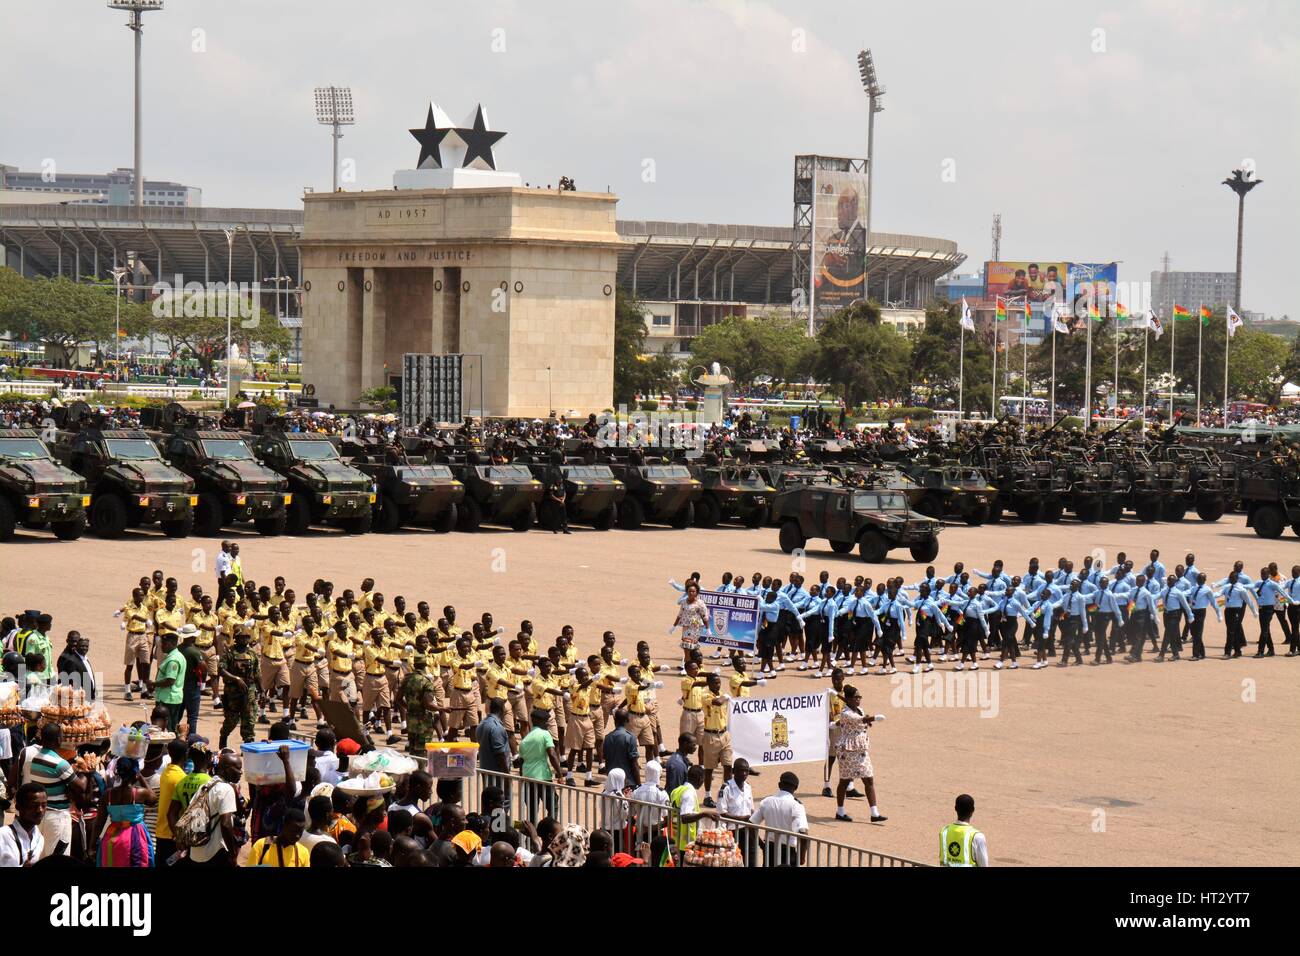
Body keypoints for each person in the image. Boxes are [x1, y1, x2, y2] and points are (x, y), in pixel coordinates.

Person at [831, 685, 886, 824]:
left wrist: (867, 719)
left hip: (861, 749)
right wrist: (873, 718)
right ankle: (840, 811)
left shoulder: (858, 709)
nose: (859, 700)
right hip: (847, 750)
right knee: (844, 781)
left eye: (860, 697)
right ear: (849, 699)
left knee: (868, 778)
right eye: (856, 697)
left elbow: (860, 716)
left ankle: (875, 813)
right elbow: (858, 720)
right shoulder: (846, 713)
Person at [94, 756, 158, 867]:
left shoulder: (108, 795)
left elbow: (99, 822)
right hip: (136, 836)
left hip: (112, 837)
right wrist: (140, 777)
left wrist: (91, 846)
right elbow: (153, 799)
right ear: (135, 773)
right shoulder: (140, 793)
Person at [26, 722, 74, 859]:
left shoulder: (35, 759)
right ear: (58, 740)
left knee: (40, 858)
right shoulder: (60, 764)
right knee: (58, 860)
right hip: (57, 817)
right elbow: (80, 786)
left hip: (40, 816)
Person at [749, 771, 809, 867]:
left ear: (779, 784)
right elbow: (803, 833)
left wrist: (762, 845)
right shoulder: (796, 806)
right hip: (789, 852)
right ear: (796, 788)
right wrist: (802, 857)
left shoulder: (766, 802)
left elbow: (750, 825)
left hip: (770, 849)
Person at [519, 709, 563, 823]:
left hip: (527, 778)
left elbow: (521, 761)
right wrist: (560, 774)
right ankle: (551, 832)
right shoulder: (545, 734)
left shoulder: (525, 740)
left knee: (532, 811)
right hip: (543, 778)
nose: (547, 723)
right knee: (553, 807)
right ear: (538, 721)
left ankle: (531, 837)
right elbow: (552, 754)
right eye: (545, 721)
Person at [668, 764, 719, 858]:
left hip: (675, 838)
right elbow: (684, 817)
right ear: (700, 778)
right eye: (703, 779)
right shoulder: (689, 793)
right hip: (686, 843)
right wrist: (704, 814)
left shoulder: (677, 790)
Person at [244, 807, 311, 867]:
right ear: (284, 826)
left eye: (300, 831)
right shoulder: (262, 846)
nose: (297, 836)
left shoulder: (303, 853)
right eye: (294, 831)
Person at [0, 783, 45, 866]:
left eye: (44, 805)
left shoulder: (39, 838)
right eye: (34, 805)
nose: (40, 810)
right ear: (18, 807)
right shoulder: (3, 836)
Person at [940, 793, 989, 867]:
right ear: (973, 810)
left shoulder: (944, 832)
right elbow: (984, 865)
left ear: (955, 808)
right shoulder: (977, 837)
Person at [153, 632, 186, 733]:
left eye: (164, 644)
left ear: (172, 643)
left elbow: (170, 680)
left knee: (166, 729)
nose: (161, 646)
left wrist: (153, 684)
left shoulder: (173, 660)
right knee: (171, 727)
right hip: (172, 698)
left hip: (167, 699)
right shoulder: (177, 655)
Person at [601, 709, 641, 788]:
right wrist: (639, 785)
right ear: (627, 720)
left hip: (612, 783)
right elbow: (634, 764)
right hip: (628, 783)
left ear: (615, 720)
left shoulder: (607, 738)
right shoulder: (630, 738)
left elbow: (605, 759)